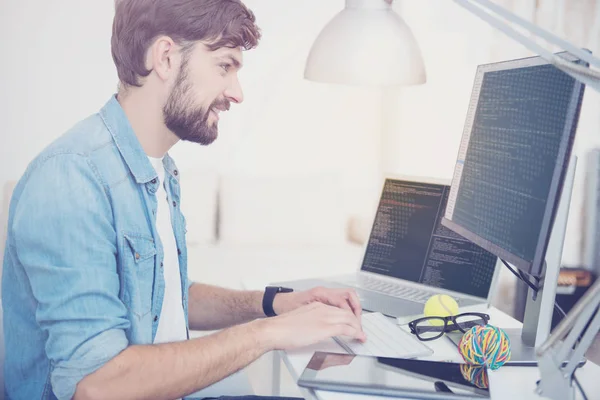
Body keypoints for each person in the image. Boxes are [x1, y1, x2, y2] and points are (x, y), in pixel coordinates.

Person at [1, 0, 367, 399]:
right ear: (166, 57)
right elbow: (98, 385)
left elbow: (166, 296)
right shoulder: (71, 179)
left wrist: (275, 304)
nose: (237, 93)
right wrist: (269, 333)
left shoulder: (158, 169)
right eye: (224, 66)